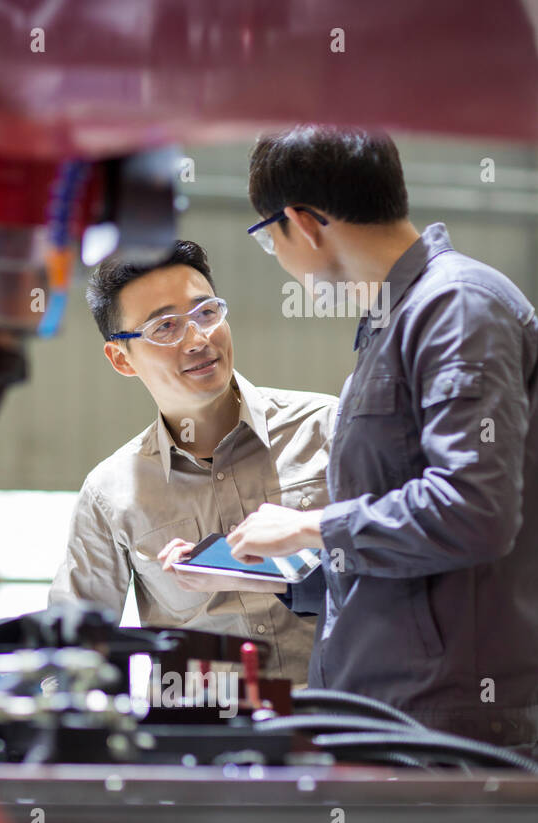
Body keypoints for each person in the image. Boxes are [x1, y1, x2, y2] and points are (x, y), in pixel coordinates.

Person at [171, 125, 538, 750]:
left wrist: (309, 528)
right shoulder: (392, 324)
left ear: (303, 224)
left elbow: (473, 512)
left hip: (451, 724)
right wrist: (268, 572)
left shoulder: (456, 309)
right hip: (385, 708)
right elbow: (403, 557)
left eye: (270, 241)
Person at [49, 240, 336, 683]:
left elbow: (403, 564)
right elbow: (74, 652)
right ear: (121, 358)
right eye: (165, 327)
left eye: (206, 313)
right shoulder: (111, 493)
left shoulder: (328, 429)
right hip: (204, 744)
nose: (198, 339)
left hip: (344, 732)